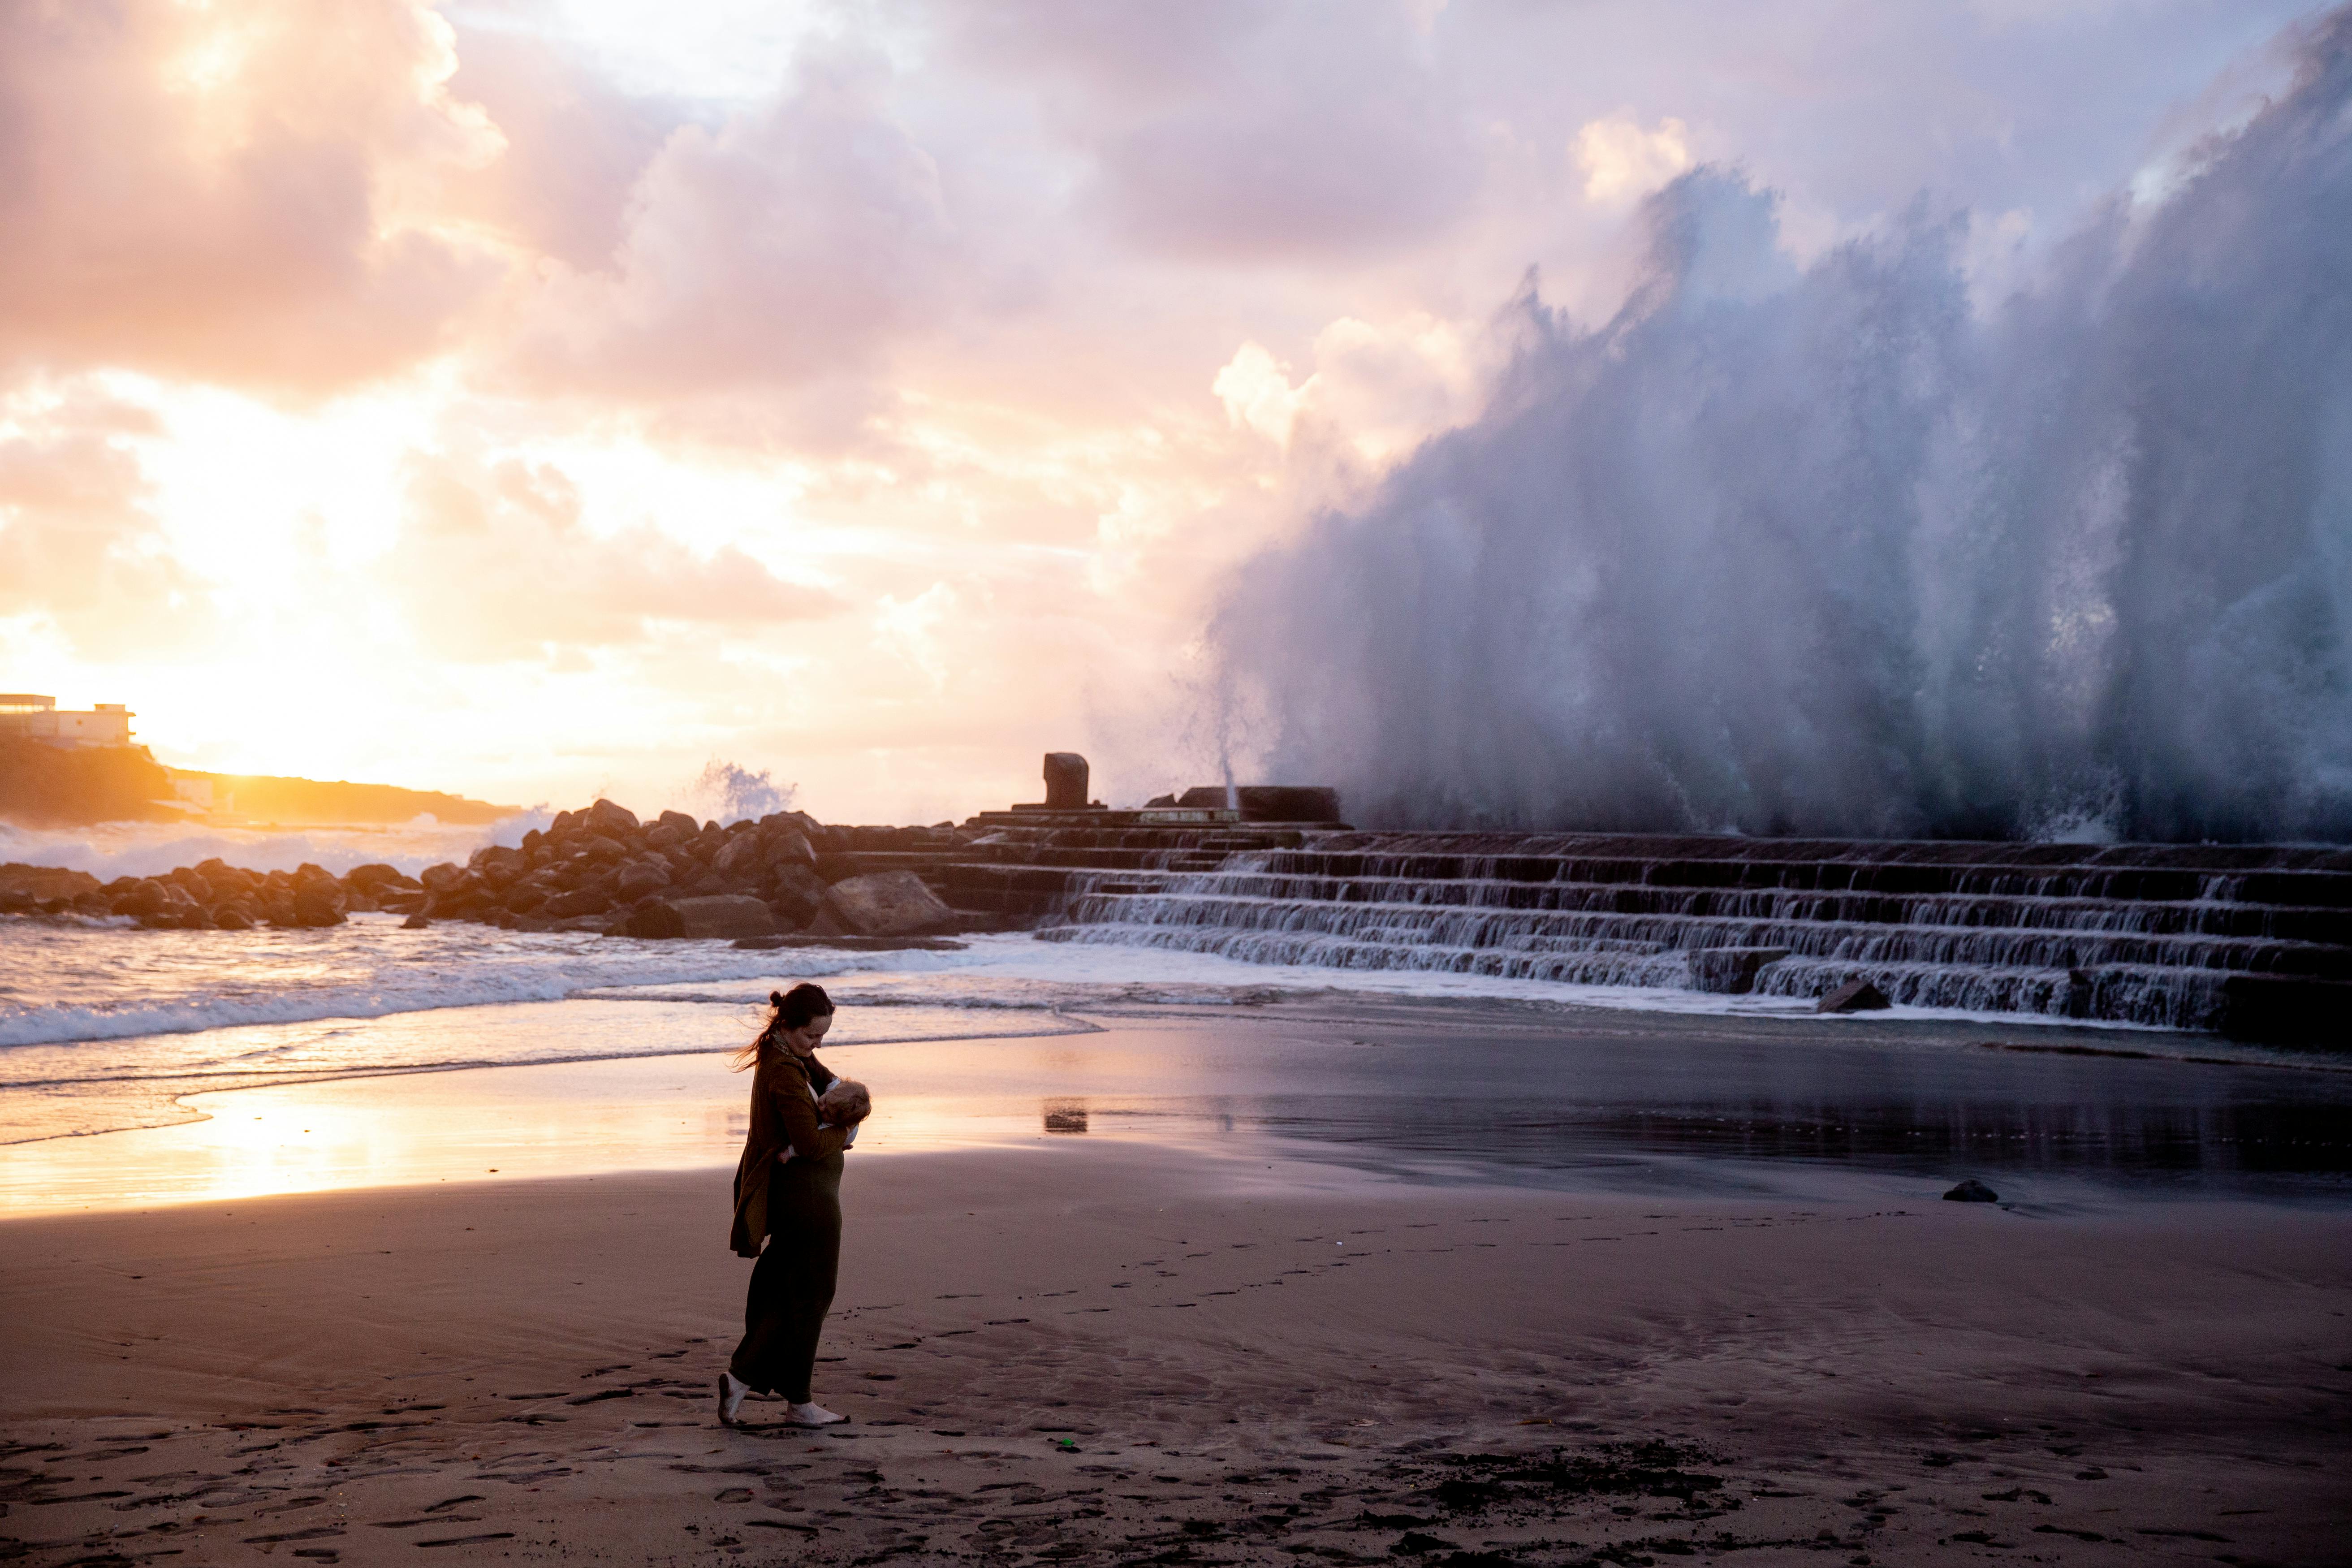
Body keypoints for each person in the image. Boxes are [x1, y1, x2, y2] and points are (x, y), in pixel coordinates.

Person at [718, 983, 870, 1427]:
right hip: (807, 1202)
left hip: (801, 1197)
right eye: (812, 1036)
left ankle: (759, 1385)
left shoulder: (792, 1056)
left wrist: (848, 1098)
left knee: (787, 1293)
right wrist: (846, 1133)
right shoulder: (783, 1072)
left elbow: (833, 1083)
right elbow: (807, 1141)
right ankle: (776, 1392)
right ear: (787, 1025)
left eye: (823, 1036)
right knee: (811, 1295)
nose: (818, 1045)